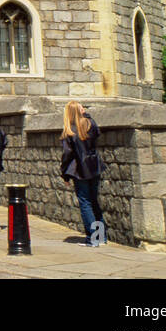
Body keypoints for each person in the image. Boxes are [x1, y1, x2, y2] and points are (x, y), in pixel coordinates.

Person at [60, 100, 107, 246]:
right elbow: (97, 134)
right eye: (81, 108)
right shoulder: (90, 124)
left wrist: (65, 175)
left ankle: (93, 239)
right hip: (94, 167)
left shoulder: (69, 131)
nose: (84, 109)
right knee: (94, 201)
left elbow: (67, 155)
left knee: (85, 203)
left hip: (80, 170)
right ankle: (100, 237)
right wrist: (85, 115)